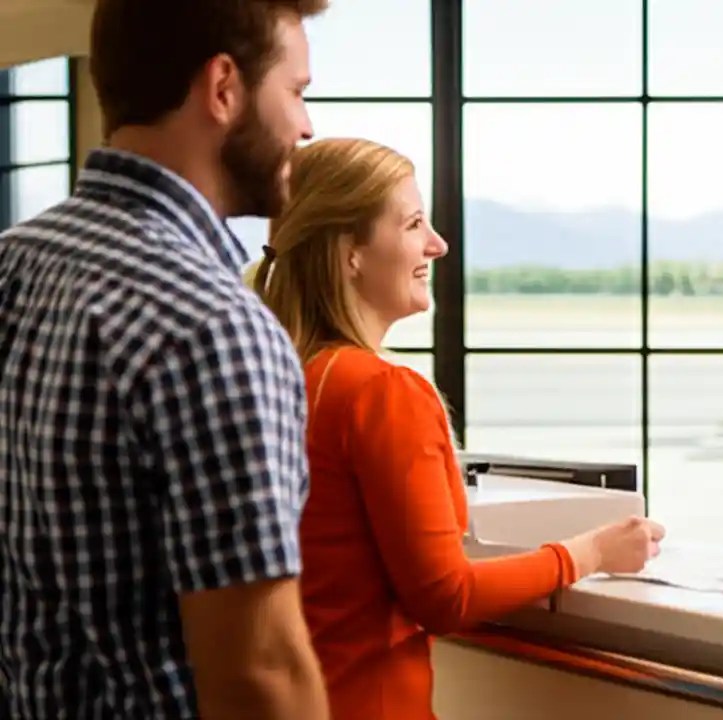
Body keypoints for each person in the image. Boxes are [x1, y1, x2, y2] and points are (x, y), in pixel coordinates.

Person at [252, 137, 664, 720]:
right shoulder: (382, 392)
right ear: (351, 253)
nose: (438, 245)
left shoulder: (279, 379)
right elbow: (447, 596)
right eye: (414, 223)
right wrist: (591, 550)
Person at [0, 1, 331, 718]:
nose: (306, 126)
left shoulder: (13, 264)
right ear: (223, 88)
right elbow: (258, 675)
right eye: (297, 92)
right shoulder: (213, 326)